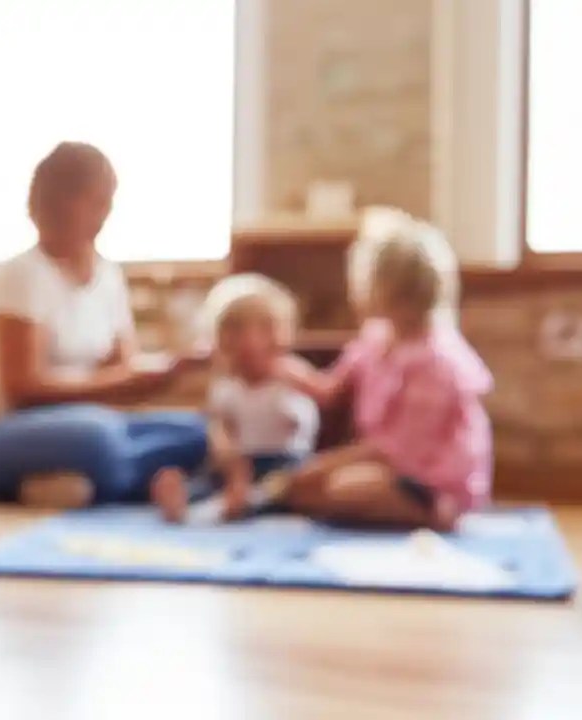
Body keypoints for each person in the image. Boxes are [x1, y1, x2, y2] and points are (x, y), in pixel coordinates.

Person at [0, 142, 207, 505]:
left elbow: (123, 369)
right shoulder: (21, 274)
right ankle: (134, 481)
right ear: (50, 204)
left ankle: (77, 486)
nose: (99, 213)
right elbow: (23, 389)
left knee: (198, 431)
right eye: (89, 201)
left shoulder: (108, 277)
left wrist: (170, 369)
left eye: (104, 202)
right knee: (97, 437)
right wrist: (123, 381)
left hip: (81, 424)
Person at [272, 210, 494, 531]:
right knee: (314, 488)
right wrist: (277, 365)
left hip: (428, 478)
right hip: (385, 465)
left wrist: (323, 466)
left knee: (344, 487)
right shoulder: (375, 340)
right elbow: (329, 390)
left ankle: (438, 513)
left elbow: (398, 450)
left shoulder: (436, 362)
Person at [151, 274, 318, 523]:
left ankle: (243, 502)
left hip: (286, 460)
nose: (251, 341)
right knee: (207, 480)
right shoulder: (226, 387)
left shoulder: (292, 375)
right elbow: (221, 428)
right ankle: (185, 498)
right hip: (239, 463)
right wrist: (229, 460)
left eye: (265, 327)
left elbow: (312, 414)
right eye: (237, 329)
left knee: (287, 487)